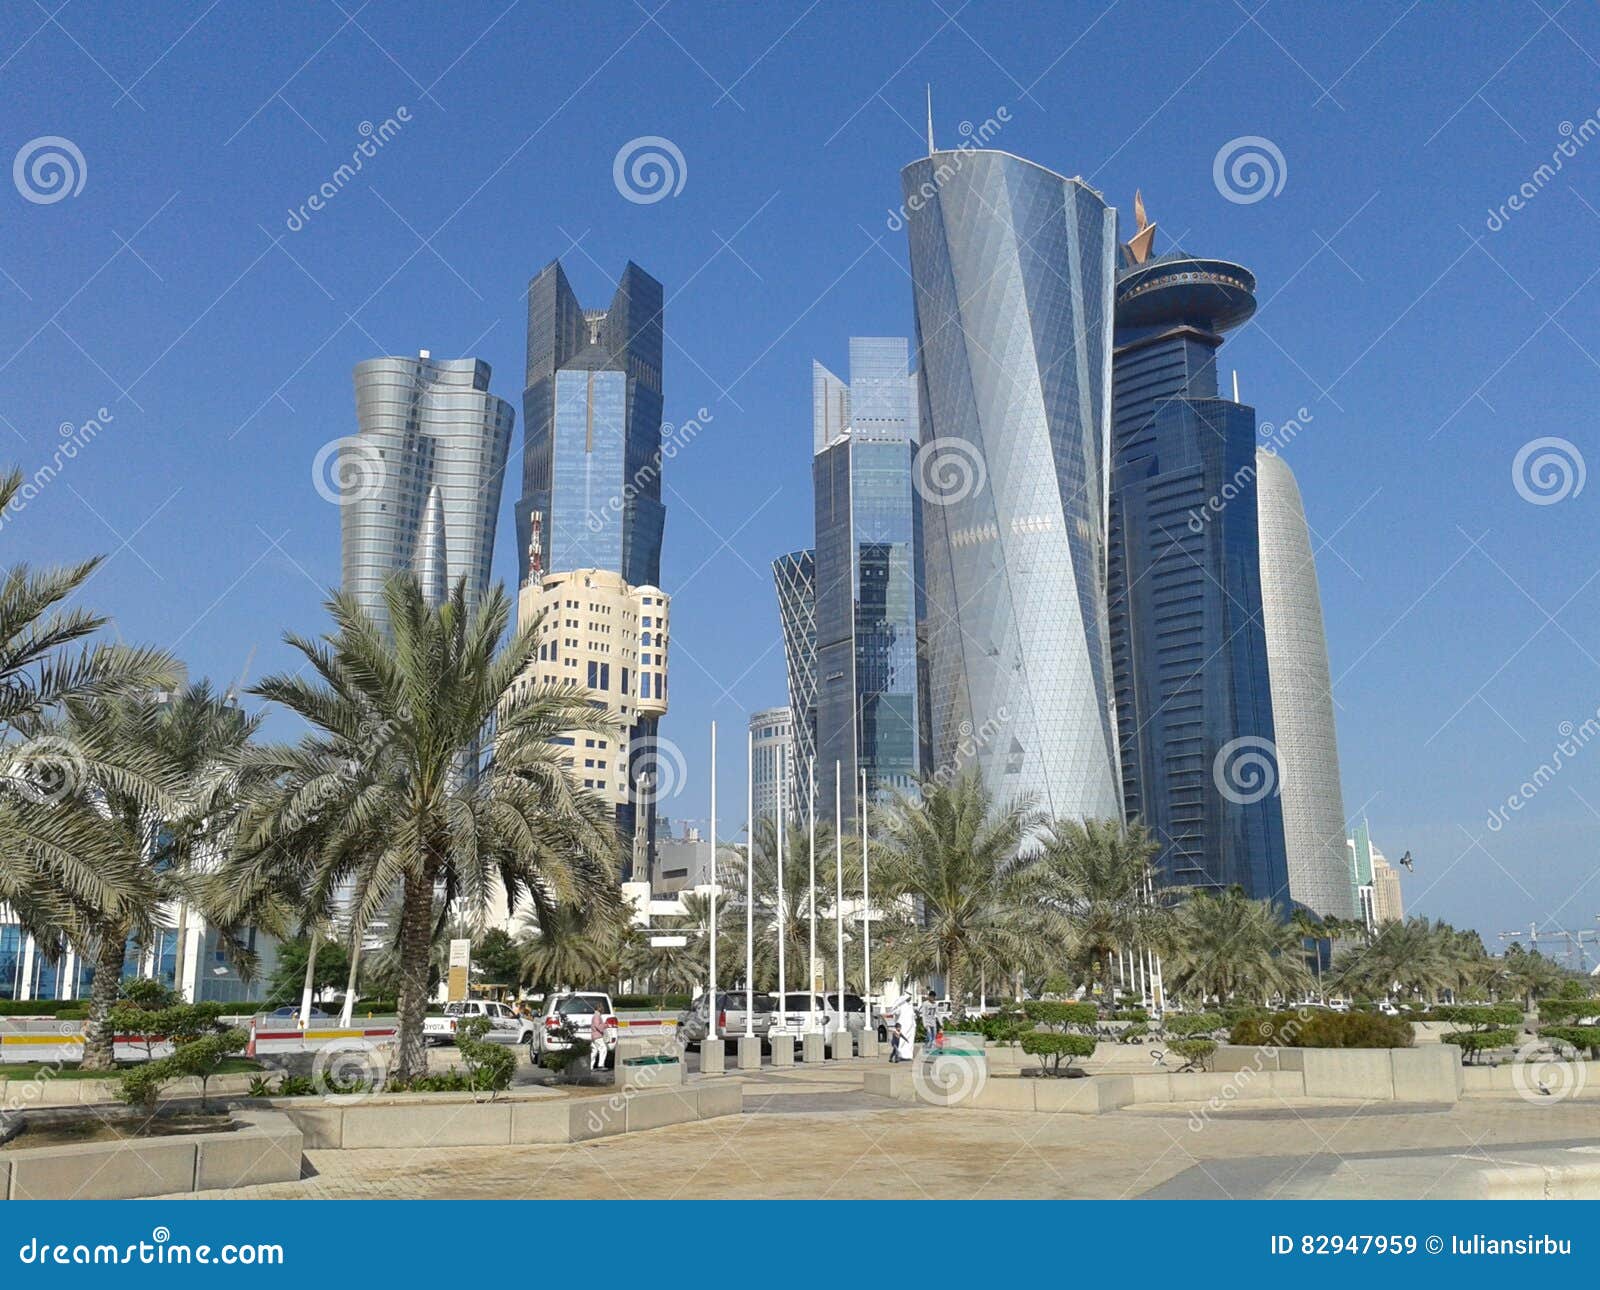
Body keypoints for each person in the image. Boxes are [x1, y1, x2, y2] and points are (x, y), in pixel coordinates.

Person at [894, 993, 916, 1063]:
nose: (910, 998)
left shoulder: (910, 1005)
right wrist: (897, 1005)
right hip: (903, 1026)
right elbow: (896, 1012)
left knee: (910, 1041)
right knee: (902, 1041)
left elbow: (912, 1016)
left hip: (911, 1027)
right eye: (909, 996)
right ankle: (900, 1055)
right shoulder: (901, 1005)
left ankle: (908, 1056)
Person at [919, 993, 941, 1060]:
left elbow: (938, 1014)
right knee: (930, 1036)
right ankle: (926, 1050)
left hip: (933, 1022)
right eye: (931, 997)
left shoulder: (935, 1004)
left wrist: (941, 1023)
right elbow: (923, 1015)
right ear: (929, 997)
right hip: (927, 1022)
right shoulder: (925, 1004)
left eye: (934, 997)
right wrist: (924, 1024)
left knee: (934, 1037)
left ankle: (931, 1050)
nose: (932, 998)